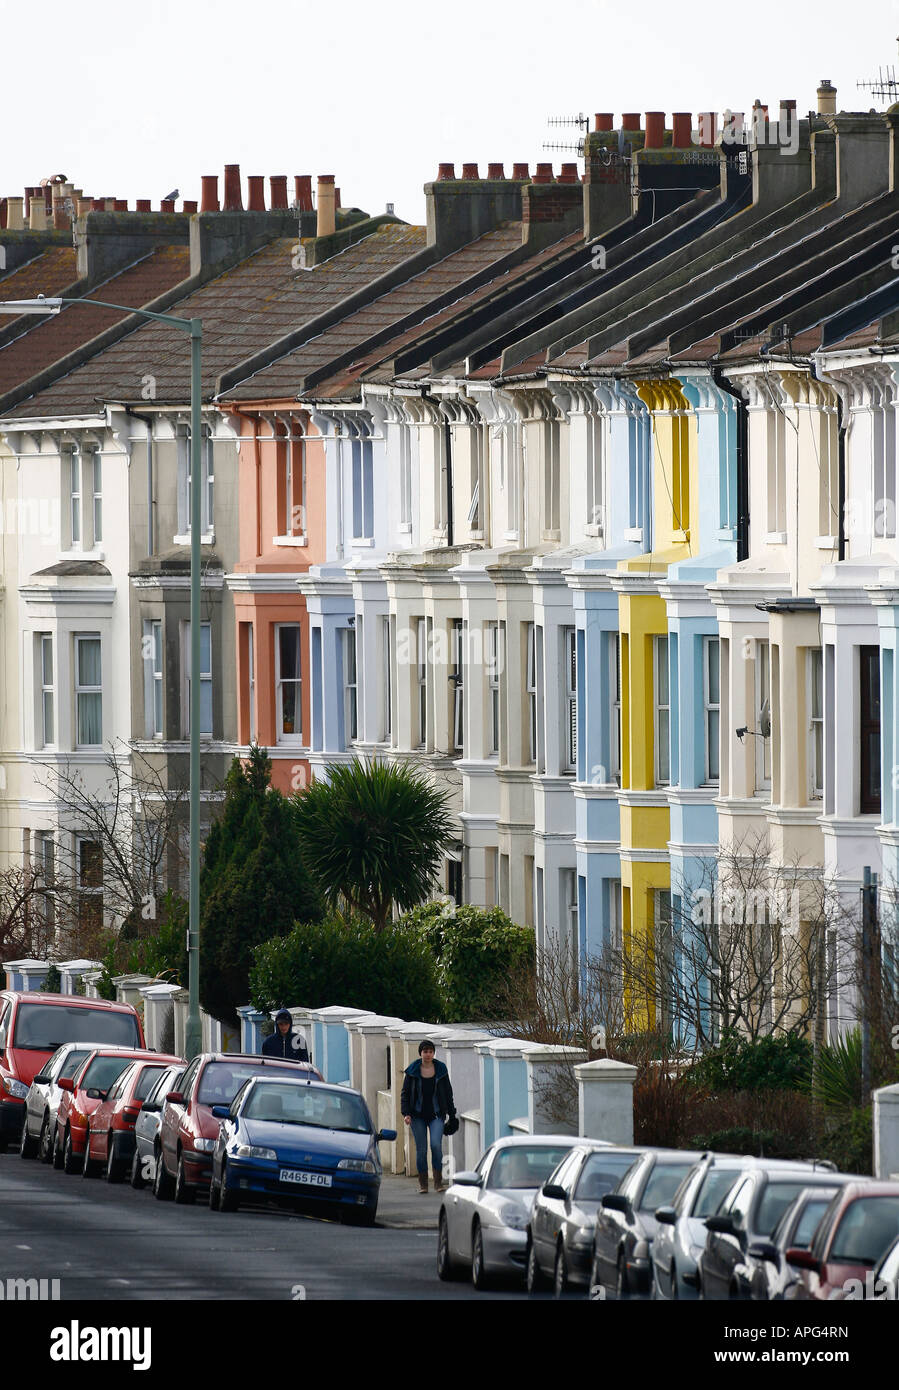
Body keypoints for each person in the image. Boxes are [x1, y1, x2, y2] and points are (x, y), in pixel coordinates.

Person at [400, 1039, 457, 1194]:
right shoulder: (412, 1071)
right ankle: (423, 1184)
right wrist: (406, 1113)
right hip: (417, 1116)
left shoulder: (441, 1070)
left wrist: (452, 1115)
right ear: (421, 1053)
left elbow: (448, 1093)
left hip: (436, 1115)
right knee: (421, 1149)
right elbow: (405, 1094)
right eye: (425, 1051)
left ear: (433, 1053)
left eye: (430, 1051)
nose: (428, 1054)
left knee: (436, 1145)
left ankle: (438, 1182)